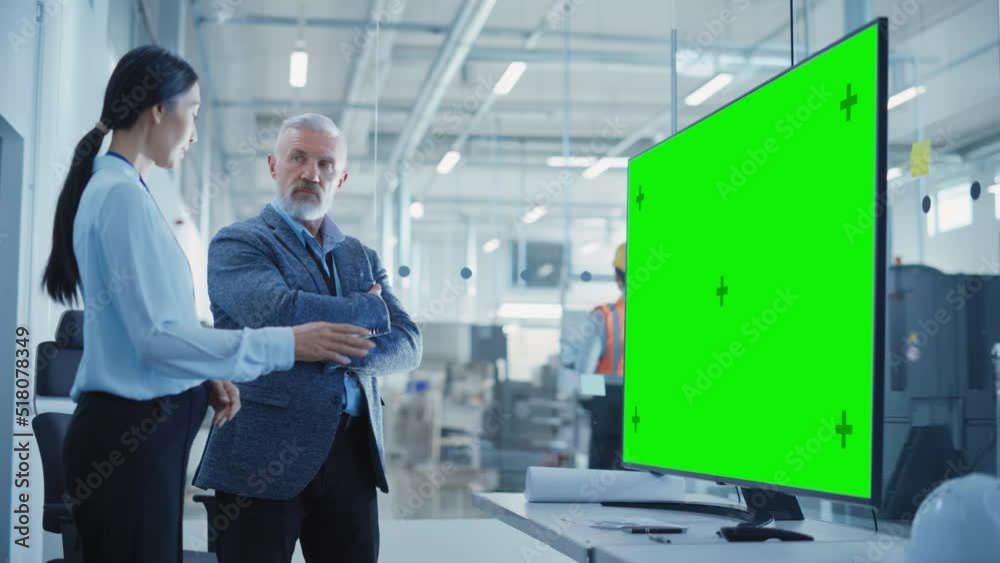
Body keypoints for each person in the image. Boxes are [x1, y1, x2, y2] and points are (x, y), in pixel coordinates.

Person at [41, 46, 375, 563]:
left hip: (145, 435)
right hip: (127, 438)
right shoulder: (120, 196)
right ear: (159, 109)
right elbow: (156, 339)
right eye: (192, 112)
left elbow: (150, 329)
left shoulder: (127, 191)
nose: (194, 133)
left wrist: (201, 374)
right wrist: (291, 342)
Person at [193, 113, 422, 563]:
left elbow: (409, 344)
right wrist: (369, 309)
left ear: (341, 178)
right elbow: (279, 312)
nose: (310, 173)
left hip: (352, 457)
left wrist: (323, 346)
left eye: (325, 164)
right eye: (297, 157)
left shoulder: (360, 256)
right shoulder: (239, 243)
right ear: (273, 165)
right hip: (262, 455)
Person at [576, 243, 626, 469]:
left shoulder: (605, 315)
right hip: (647, 406)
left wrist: (594, 399)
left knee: (603, 473)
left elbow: (586, 368)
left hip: (609, 401)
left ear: (617, 276)